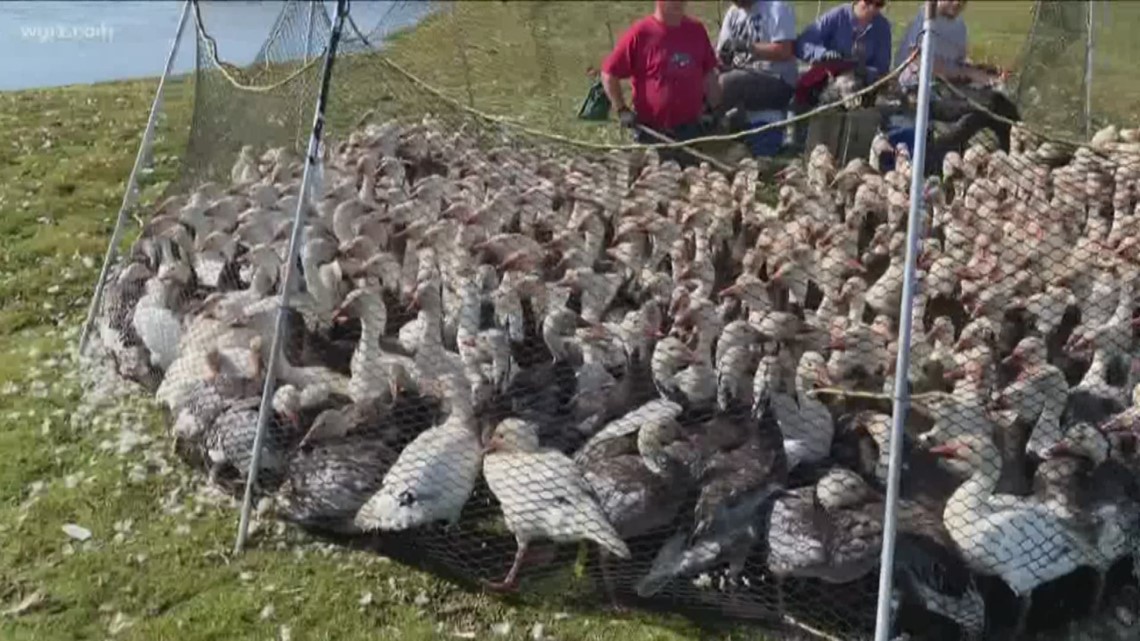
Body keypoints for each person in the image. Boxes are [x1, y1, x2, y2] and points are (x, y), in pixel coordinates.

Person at [601, 0, 721, 165]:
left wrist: (714, 109)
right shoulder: (641, 33)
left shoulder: (696, 31)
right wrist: (621, 109)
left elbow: (709, 74)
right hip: (652, 134)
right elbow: (609, 73)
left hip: (691, 131)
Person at [894, 0, 1020, 156]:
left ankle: (1013, 156)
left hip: (951, 88)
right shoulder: (925, 18)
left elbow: (959, 64)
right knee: (989, 103)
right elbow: (922, 61)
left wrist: (987, 74)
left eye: (962, 1)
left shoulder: (960, 26)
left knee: (1002, 105)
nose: (957, 3)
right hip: (922, 91)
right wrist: (966, 73)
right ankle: (937, 153)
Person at [715, 0, 798, 131]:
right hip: (742, 75)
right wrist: (722, 59)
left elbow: (785, 51)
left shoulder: (777, 8)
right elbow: (720, 55)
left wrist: (748, 46)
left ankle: (715, 130)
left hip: (777, 80)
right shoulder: (732, 14)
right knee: (707, 77)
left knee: (728, 82)